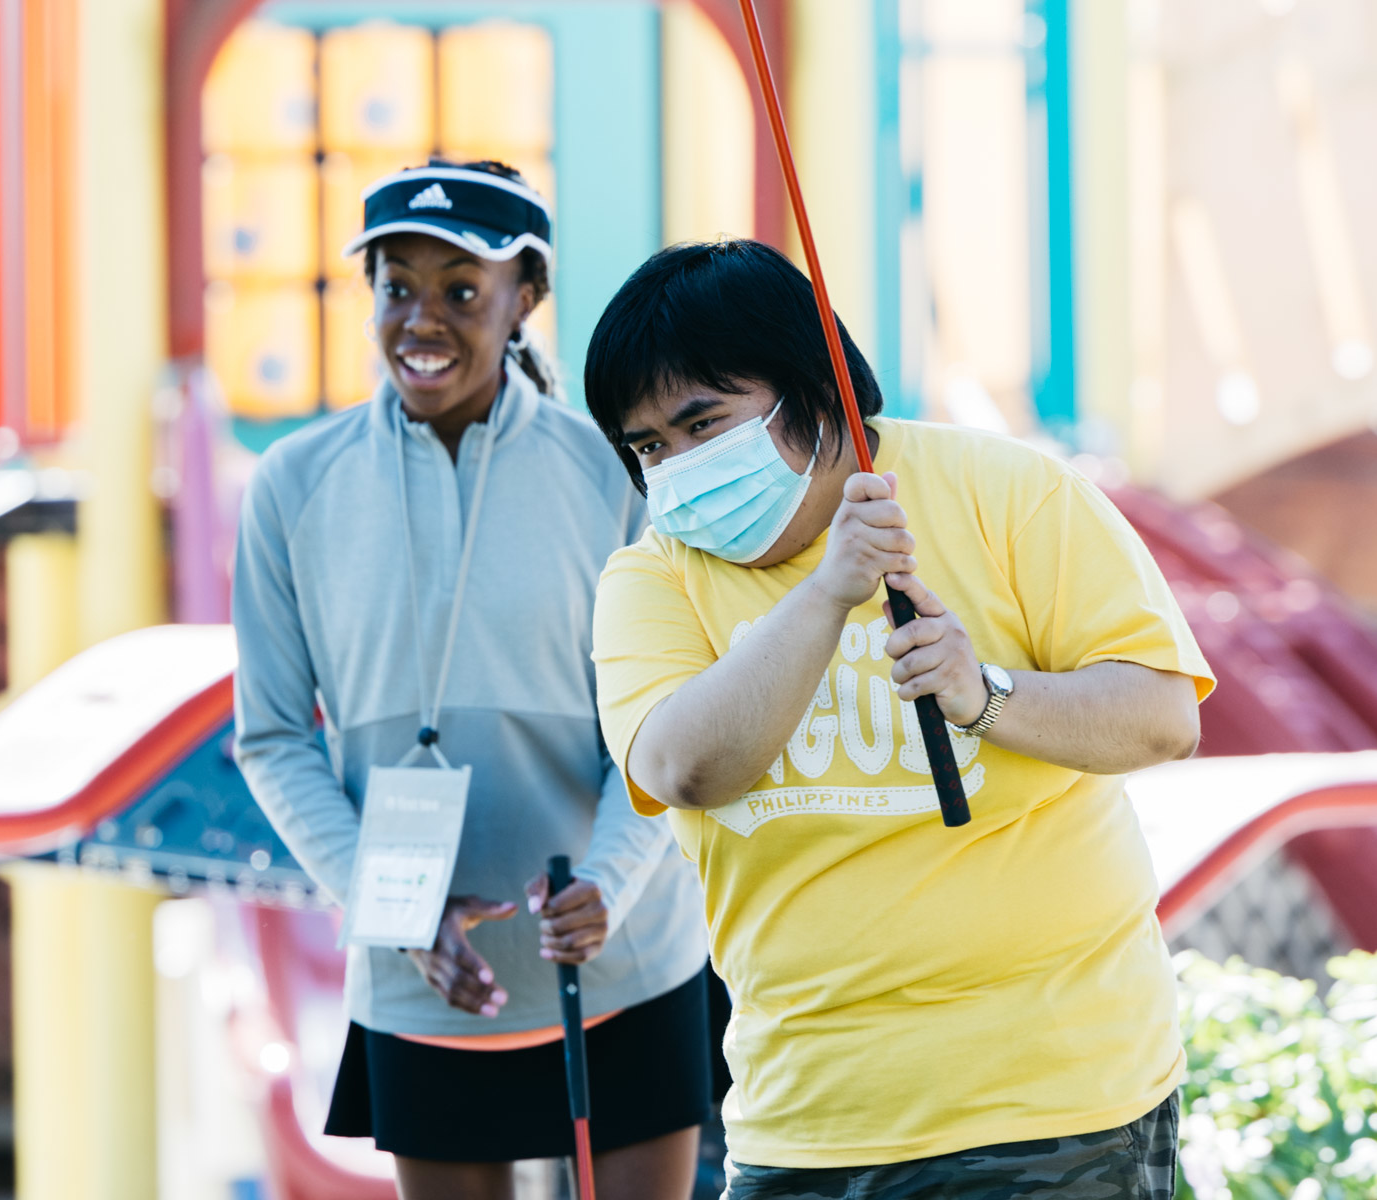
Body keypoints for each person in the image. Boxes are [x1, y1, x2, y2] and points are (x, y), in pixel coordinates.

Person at [581, 239, 1216, 1200]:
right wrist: (828, 591)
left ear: (812, 384)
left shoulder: (1012, 491)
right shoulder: (650, 576)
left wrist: (986, 695)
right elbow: (683, 768)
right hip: (808, 1121)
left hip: (1061, 1100)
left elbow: (1162, 716)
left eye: (702, 422)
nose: (677, 469)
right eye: (648, 447)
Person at [232, 160, 715, 1200]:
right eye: (397, 286)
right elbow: (271, 737)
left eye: (461, 290)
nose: (422, 319)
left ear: (525, 298)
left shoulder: (613, 473)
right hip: (423, 979)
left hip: (625, 965)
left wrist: (610, 883)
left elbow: (665, 716)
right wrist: (391, 903)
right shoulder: (291, 488)